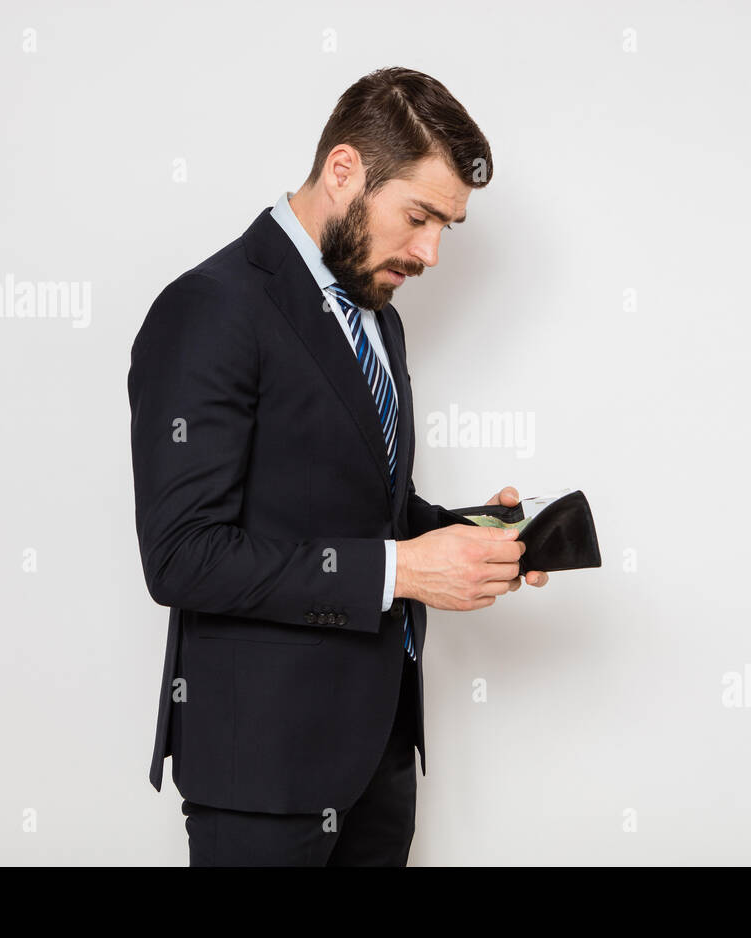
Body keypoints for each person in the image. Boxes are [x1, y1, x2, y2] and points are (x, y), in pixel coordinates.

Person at [127, 66, 548, 866]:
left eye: (444, 229)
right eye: (418, 216)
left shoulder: (374, 316)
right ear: (344, 170)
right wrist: (402, 573)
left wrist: (474, 536)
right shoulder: (209, 310)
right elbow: (182, 557)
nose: (428, 252)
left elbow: (366, 512)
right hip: (263, 773)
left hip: (379, 759)